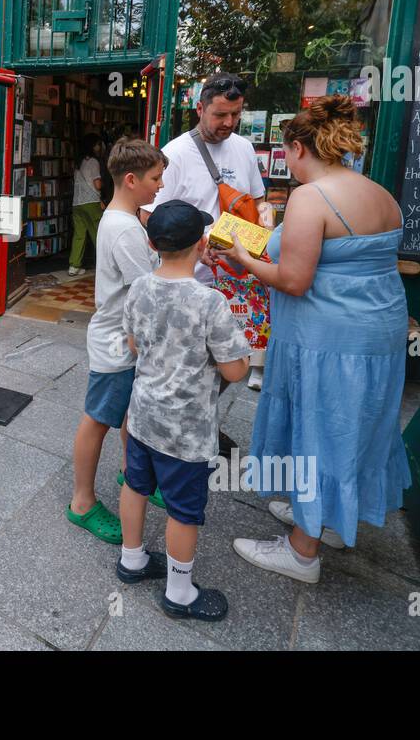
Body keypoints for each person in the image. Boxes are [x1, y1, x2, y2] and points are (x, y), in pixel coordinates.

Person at [216, 96, 408, 584]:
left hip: (329, 339)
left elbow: (294, 279)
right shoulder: (380, 193)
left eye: (287, 156)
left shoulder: (310, 197)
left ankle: (302, 553)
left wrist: (242, 255)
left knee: (320, 428)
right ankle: (333, 521)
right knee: (357, 424)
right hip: (378, 336)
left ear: (298, 149)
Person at [118, 200, 251, 621]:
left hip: (141, 417)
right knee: (183, 510)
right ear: (200, 243)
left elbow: (135, 346)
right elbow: (234, 367)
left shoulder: (138, 287)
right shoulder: (210, 302)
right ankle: (179, 592)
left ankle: (132, 559)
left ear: (154, 244)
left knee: (136, 485)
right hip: (186, 431)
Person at [66, 138, 166, 545]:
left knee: (125, 413)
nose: (160, 186)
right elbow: (147, 290)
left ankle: (131, 473)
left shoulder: (122, 218)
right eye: (156, 178)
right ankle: (82, 503)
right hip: (117, 343)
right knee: (97, 419)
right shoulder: (125, 228)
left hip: (124, 340)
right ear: (131, 179)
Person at [148, 73, 271, 400]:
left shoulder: (245, 149)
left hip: (238, 281)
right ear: (199, 109)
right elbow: (151, 218)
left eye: (236, 114)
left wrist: (265, 219)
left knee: (232, 362)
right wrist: (192, 249)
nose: (229, 122)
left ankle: (202, 419)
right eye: (220, 115)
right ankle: (183, 424)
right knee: (185, 363)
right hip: (192, 283)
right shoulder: (174, 154)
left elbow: (257, 202)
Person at [69, 133, 105, 276]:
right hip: (91, 202)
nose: (98, 147)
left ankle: (74, 266)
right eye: (97, 144)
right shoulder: (93, 162)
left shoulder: (78, 162)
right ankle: (104, 266)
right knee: (98, 234)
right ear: (92, 146)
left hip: (77, 203)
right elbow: (97, 184)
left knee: (79, 234)